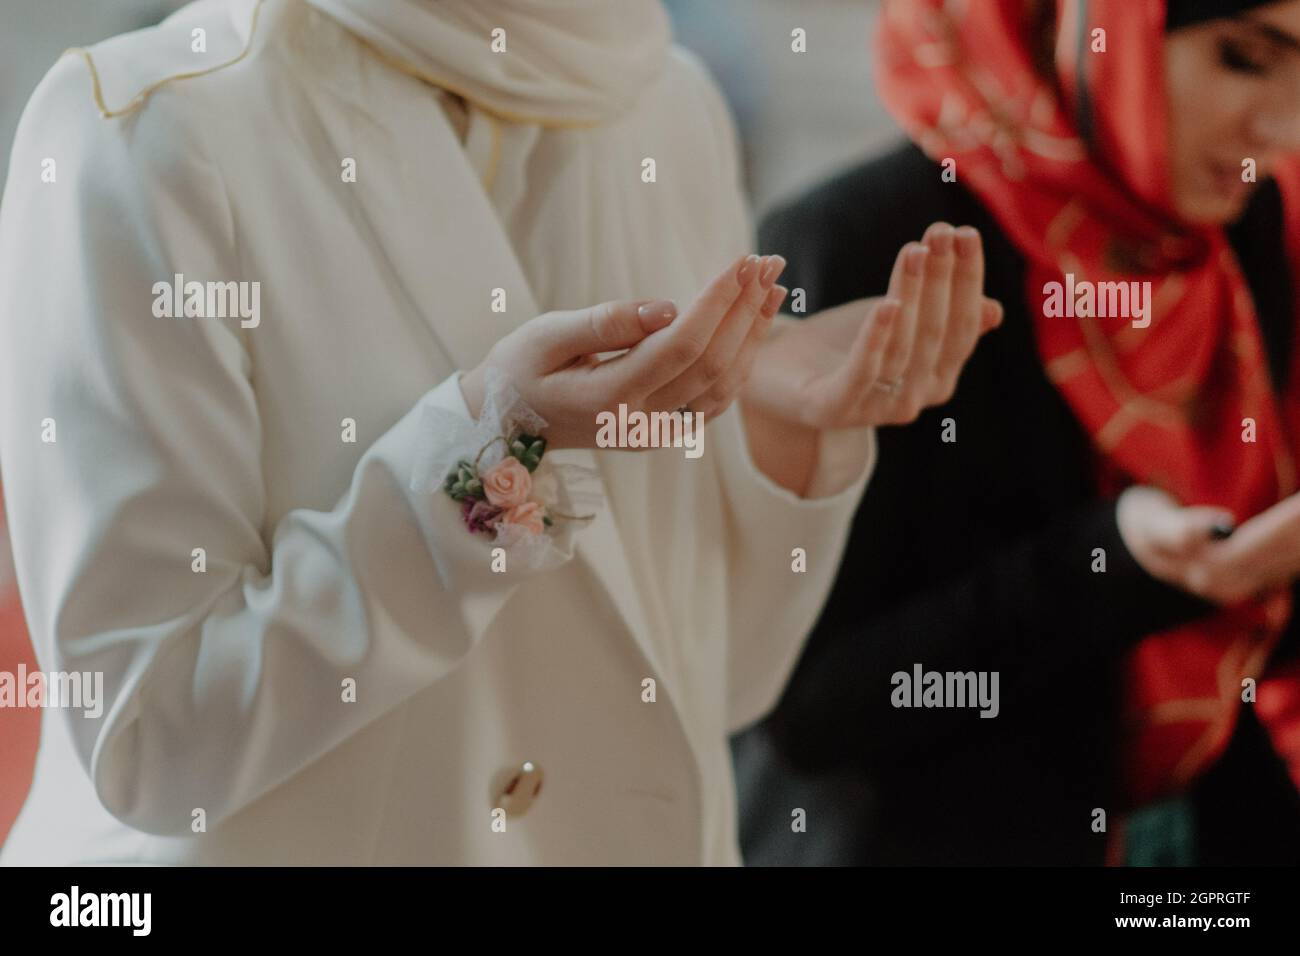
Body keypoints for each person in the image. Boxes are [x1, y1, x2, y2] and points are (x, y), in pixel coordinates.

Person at [0, 0, 994, 865]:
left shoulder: (667, 107)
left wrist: (783, 423)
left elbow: (711, 687)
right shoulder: (145, 129)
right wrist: (498, 469)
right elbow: (155, 740)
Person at [735, 0, 1300, 866]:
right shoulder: (862, 245)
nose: (1282, 125)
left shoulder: (1234, 233)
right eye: (1243, 58)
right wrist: (1114, 564)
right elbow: (806, 710)